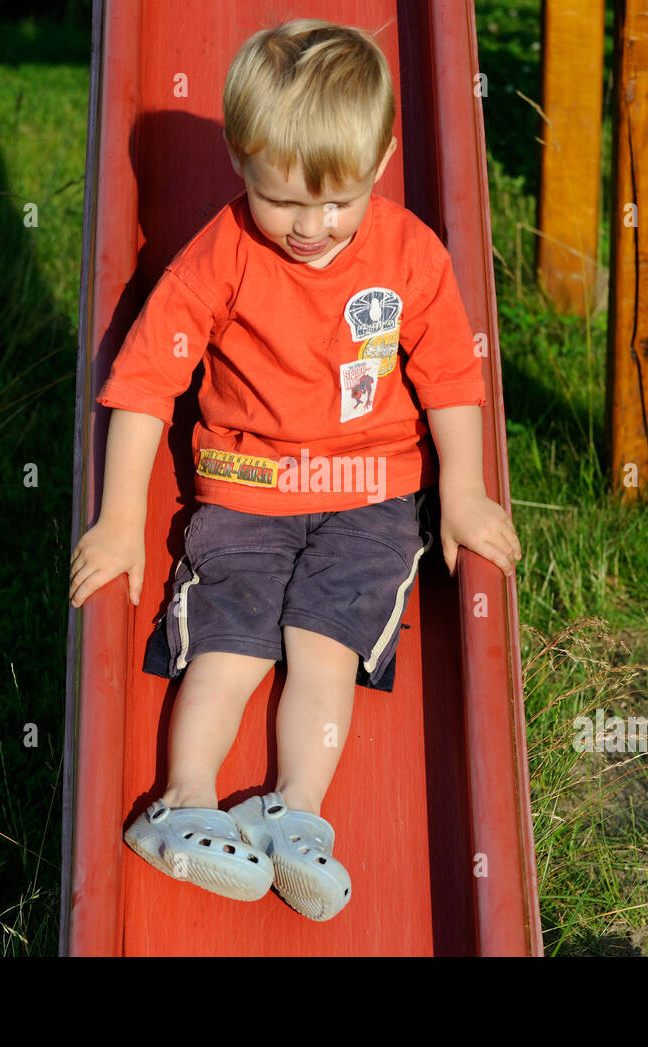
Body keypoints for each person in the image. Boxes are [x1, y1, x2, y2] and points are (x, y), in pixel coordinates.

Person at [68, 18, 521, 921]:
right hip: (245, 490)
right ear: (241, 164)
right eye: (284, 203)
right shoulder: (222, 253)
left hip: (371, 498)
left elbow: (450, 382)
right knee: (230, 646)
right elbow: (148, 383)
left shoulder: (412, 255)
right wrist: (121, 518)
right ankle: (182, 802)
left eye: (337, 204)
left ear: (386, 158)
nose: (312, 228)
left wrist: (463, 493)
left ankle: (293, 814)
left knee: (327, 651)